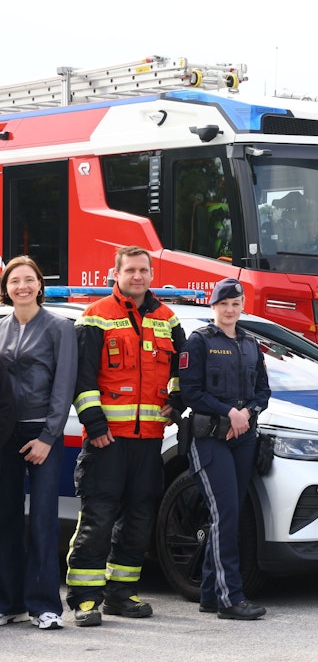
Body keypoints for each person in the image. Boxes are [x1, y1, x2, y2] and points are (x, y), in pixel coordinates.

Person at [65, 246, 187, 627]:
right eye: (131, 270)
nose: (138, 276)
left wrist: (177, 400)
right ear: (115, 273)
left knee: (138, 519)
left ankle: (122, 594)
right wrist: (96, 426)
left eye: (144, 270)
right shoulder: (95, 317)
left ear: (152, 275)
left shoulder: (169, 319)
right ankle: (85, 600)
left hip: (149, 439)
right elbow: (81, 378)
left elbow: (184, 368)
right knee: (97, 520)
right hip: (107, 442)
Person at [179, 278, 271, 620]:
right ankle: (231, 597)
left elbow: (263, 391)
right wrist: (229, 412)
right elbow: (191, 392)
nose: (230, 310)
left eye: (235, 303)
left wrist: (247, 412)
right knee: (226, 515)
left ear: (242, 305)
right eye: (223, 304)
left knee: (228, 515)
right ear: (213, 306)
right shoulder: (199, 342)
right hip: (211, 439)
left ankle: (209, 594)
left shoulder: (250, 344)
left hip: (244, 437)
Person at [0, 257, 77, 630]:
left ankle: (45, 605)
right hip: (4, 434)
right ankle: (7, 602)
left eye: (29, 280)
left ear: (40, 285)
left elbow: (63, 388)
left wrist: (48, 437)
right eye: (15, 281)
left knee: (43, 521)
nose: (22, 287)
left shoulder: (60, 327)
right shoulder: (0, 327)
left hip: (42, 434)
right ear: (6, 287)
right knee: (5, 519)